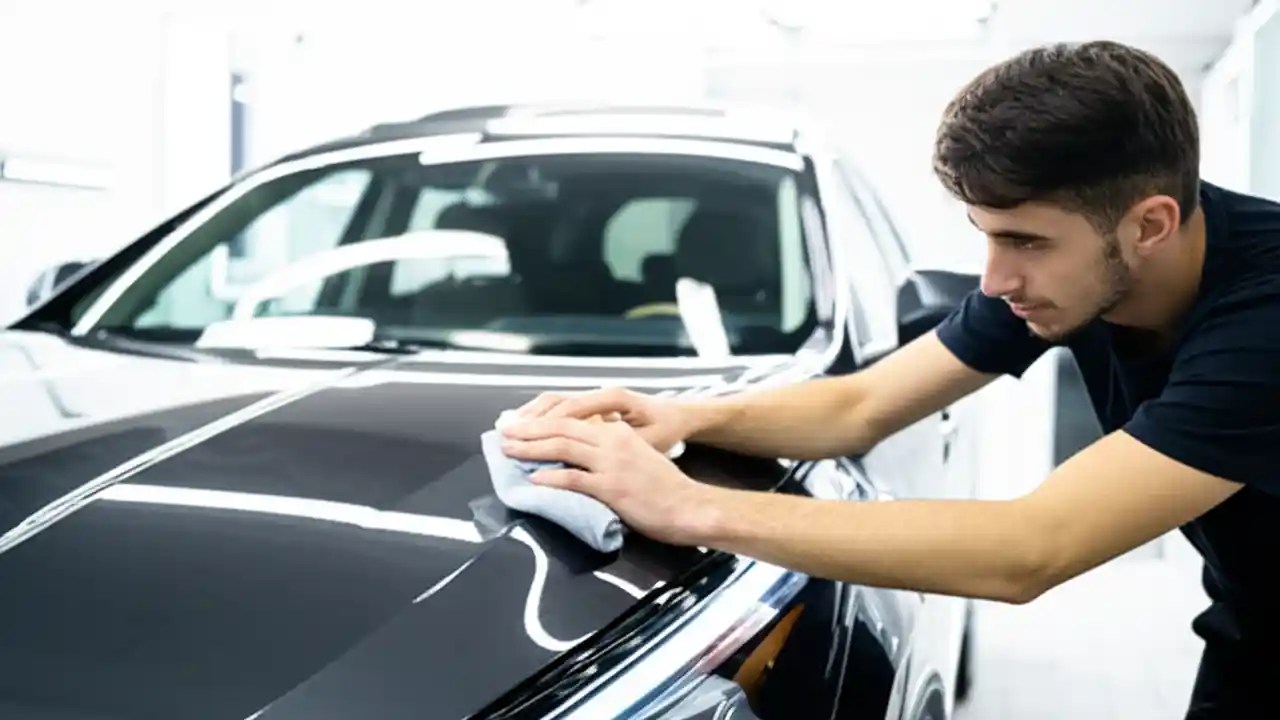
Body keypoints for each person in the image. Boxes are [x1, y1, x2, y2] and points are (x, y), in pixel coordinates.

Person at [500, 40, 1280, 718]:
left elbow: (1031, 549)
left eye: (1025, 242)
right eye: (983, 235)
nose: (997, 279)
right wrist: (686, 420)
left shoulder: (1264, 314)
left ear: (1150, 225)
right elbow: (863, 404)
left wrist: (686, 506)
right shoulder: (1081, 263)